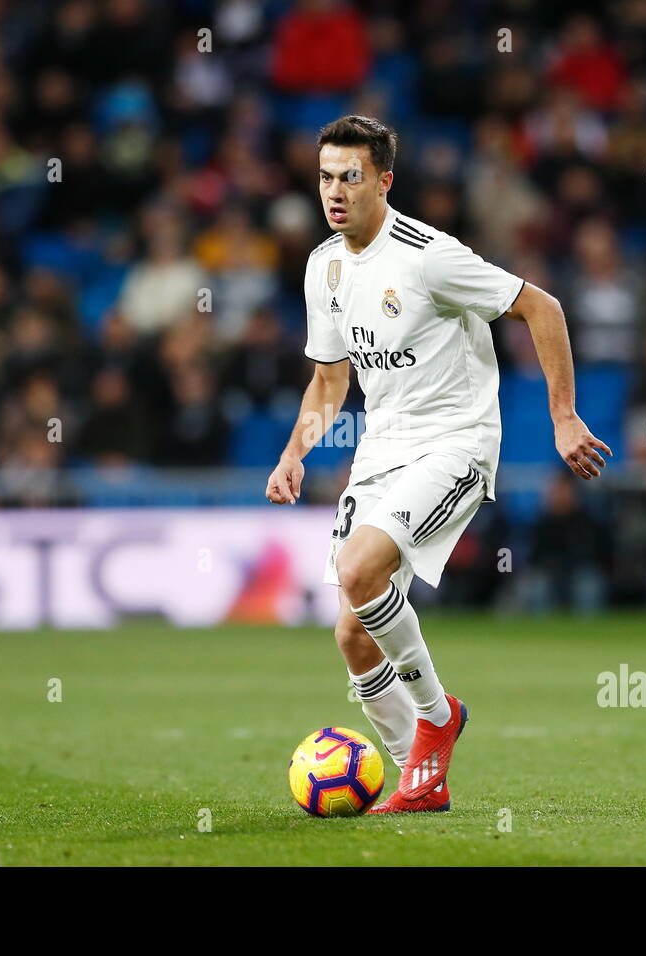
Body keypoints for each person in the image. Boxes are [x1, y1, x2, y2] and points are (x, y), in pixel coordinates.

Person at [265, 115, 611, 812]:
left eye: (351, 177)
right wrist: (295, 450)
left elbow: (541, 308)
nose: (335, 192)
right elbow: (330, 380)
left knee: (361, 571)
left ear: (384, 182)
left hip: (455, 439)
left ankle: (437, 715)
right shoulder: (323, 266)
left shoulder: (428, 256)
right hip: (382, 448)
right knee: (351, 633)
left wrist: (563, 415)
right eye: (326, 177)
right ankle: (418, 779)